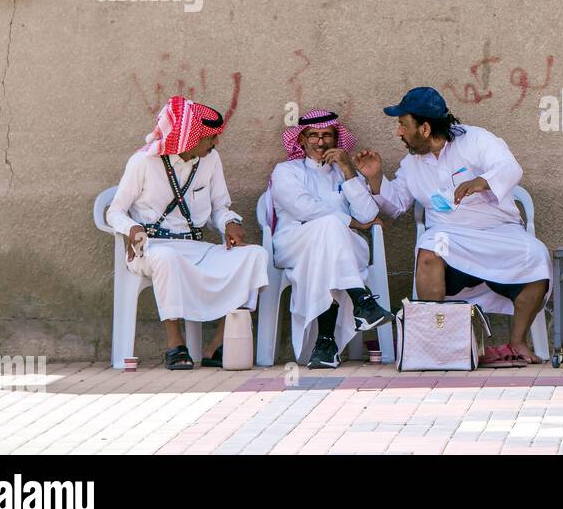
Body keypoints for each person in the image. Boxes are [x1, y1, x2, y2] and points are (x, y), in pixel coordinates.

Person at [355, 87, 550, 366]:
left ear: (424, 128)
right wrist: (374, 179)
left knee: (537, 256)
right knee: (429, 250)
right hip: (449, 238)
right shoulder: (411, 164)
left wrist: (482, 181)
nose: (399, 132)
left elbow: (509, 167)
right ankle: (439, 346)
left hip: (498, 232)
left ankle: (518, 341)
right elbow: (396, 204)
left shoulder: (476, 140)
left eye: (402, 124)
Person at [107, 95, 268, 370]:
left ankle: (217, 344)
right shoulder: (143, 163)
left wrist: (229, 221)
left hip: (196, 247)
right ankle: (175, 344)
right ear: (188, 137)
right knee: (167, 257)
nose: (215, 143)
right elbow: (114, 212)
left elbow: (220, 206)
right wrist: (131, 228)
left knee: (255, 255)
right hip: (150, 247)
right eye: (210, 138)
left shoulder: (211, 160)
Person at [270, 109, 395, 369]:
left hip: (345, 249)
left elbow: (369, 213)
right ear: (301, 141)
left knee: (327, 246)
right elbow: (303, 208)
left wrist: (349, 171)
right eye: (313, 135)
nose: (320, 141)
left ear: (336, 140)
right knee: (328, 227)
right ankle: (362, 302)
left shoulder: (344, 172)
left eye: (327, 135)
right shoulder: (286, 171)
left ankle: (325, 344)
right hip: (295, 244)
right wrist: (350, 222)